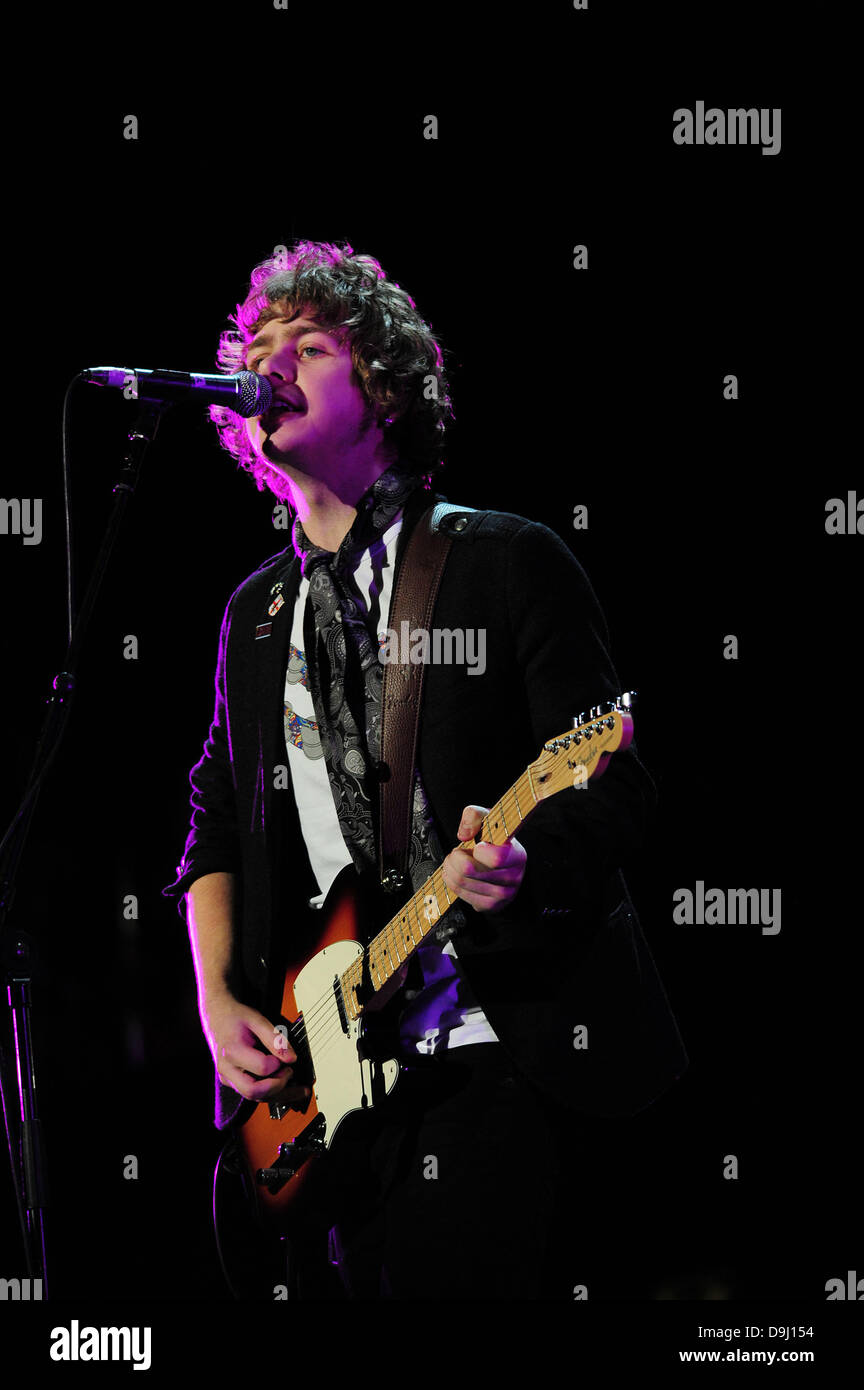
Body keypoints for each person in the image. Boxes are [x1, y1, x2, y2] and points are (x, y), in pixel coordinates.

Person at [163, 239, 687, 1300]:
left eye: (308, 345)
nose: (273, 364)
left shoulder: (505, 559)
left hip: (494, 1047)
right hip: (334, 1089)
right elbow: (215, 821)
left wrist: (526, 862)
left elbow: (616, 781)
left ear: (386, 386)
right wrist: (217, 998)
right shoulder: (255, 617)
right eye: (259, 349)